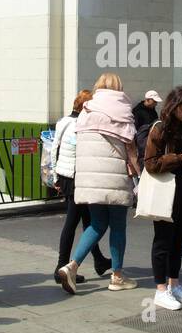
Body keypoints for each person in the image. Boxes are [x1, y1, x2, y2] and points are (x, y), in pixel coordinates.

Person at [57, 73, 137, 294]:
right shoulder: (122, 108)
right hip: (115, 178)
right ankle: (117, 276)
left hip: (89, 178)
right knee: (118, 227)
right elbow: (130, 146)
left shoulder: (86, 109)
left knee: (97, 224)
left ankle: (71, 266)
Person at [143, 86, 182, 309]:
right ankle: (160, 289)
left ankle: (174, 284)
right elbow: (151, 163)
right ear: (174, 106)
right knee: (163, 240)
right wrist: (180, 158)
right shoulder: (160, 128)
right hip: (166, 191)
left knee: (179, 240)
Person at [52, 89, 110, 284]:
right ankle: (62, 267)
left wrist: (56, 176)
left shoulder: (63, 122)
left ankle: (99, 260)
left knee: (88, 221)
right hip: (78, 177)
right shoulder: (79, 124)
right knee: (74, 221)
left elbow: (54, 149)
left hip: (67, 176)